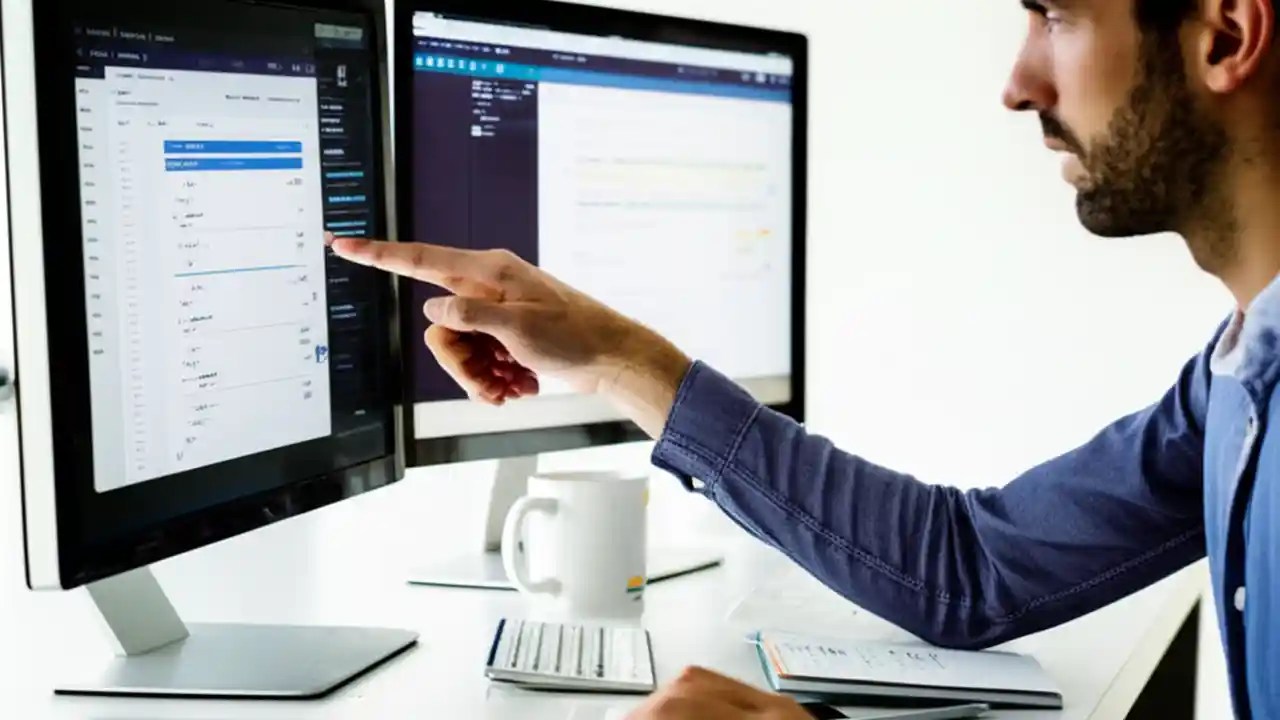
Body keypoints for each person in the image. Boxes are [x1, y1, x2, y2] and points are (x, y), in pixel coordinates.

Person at [331, 0, 1280, 716]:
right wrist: (618, 356)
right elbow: (970, 568)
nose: (1019, 83)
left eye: (1057, 16)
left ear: (1226, 34)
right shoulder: (1233, 383)